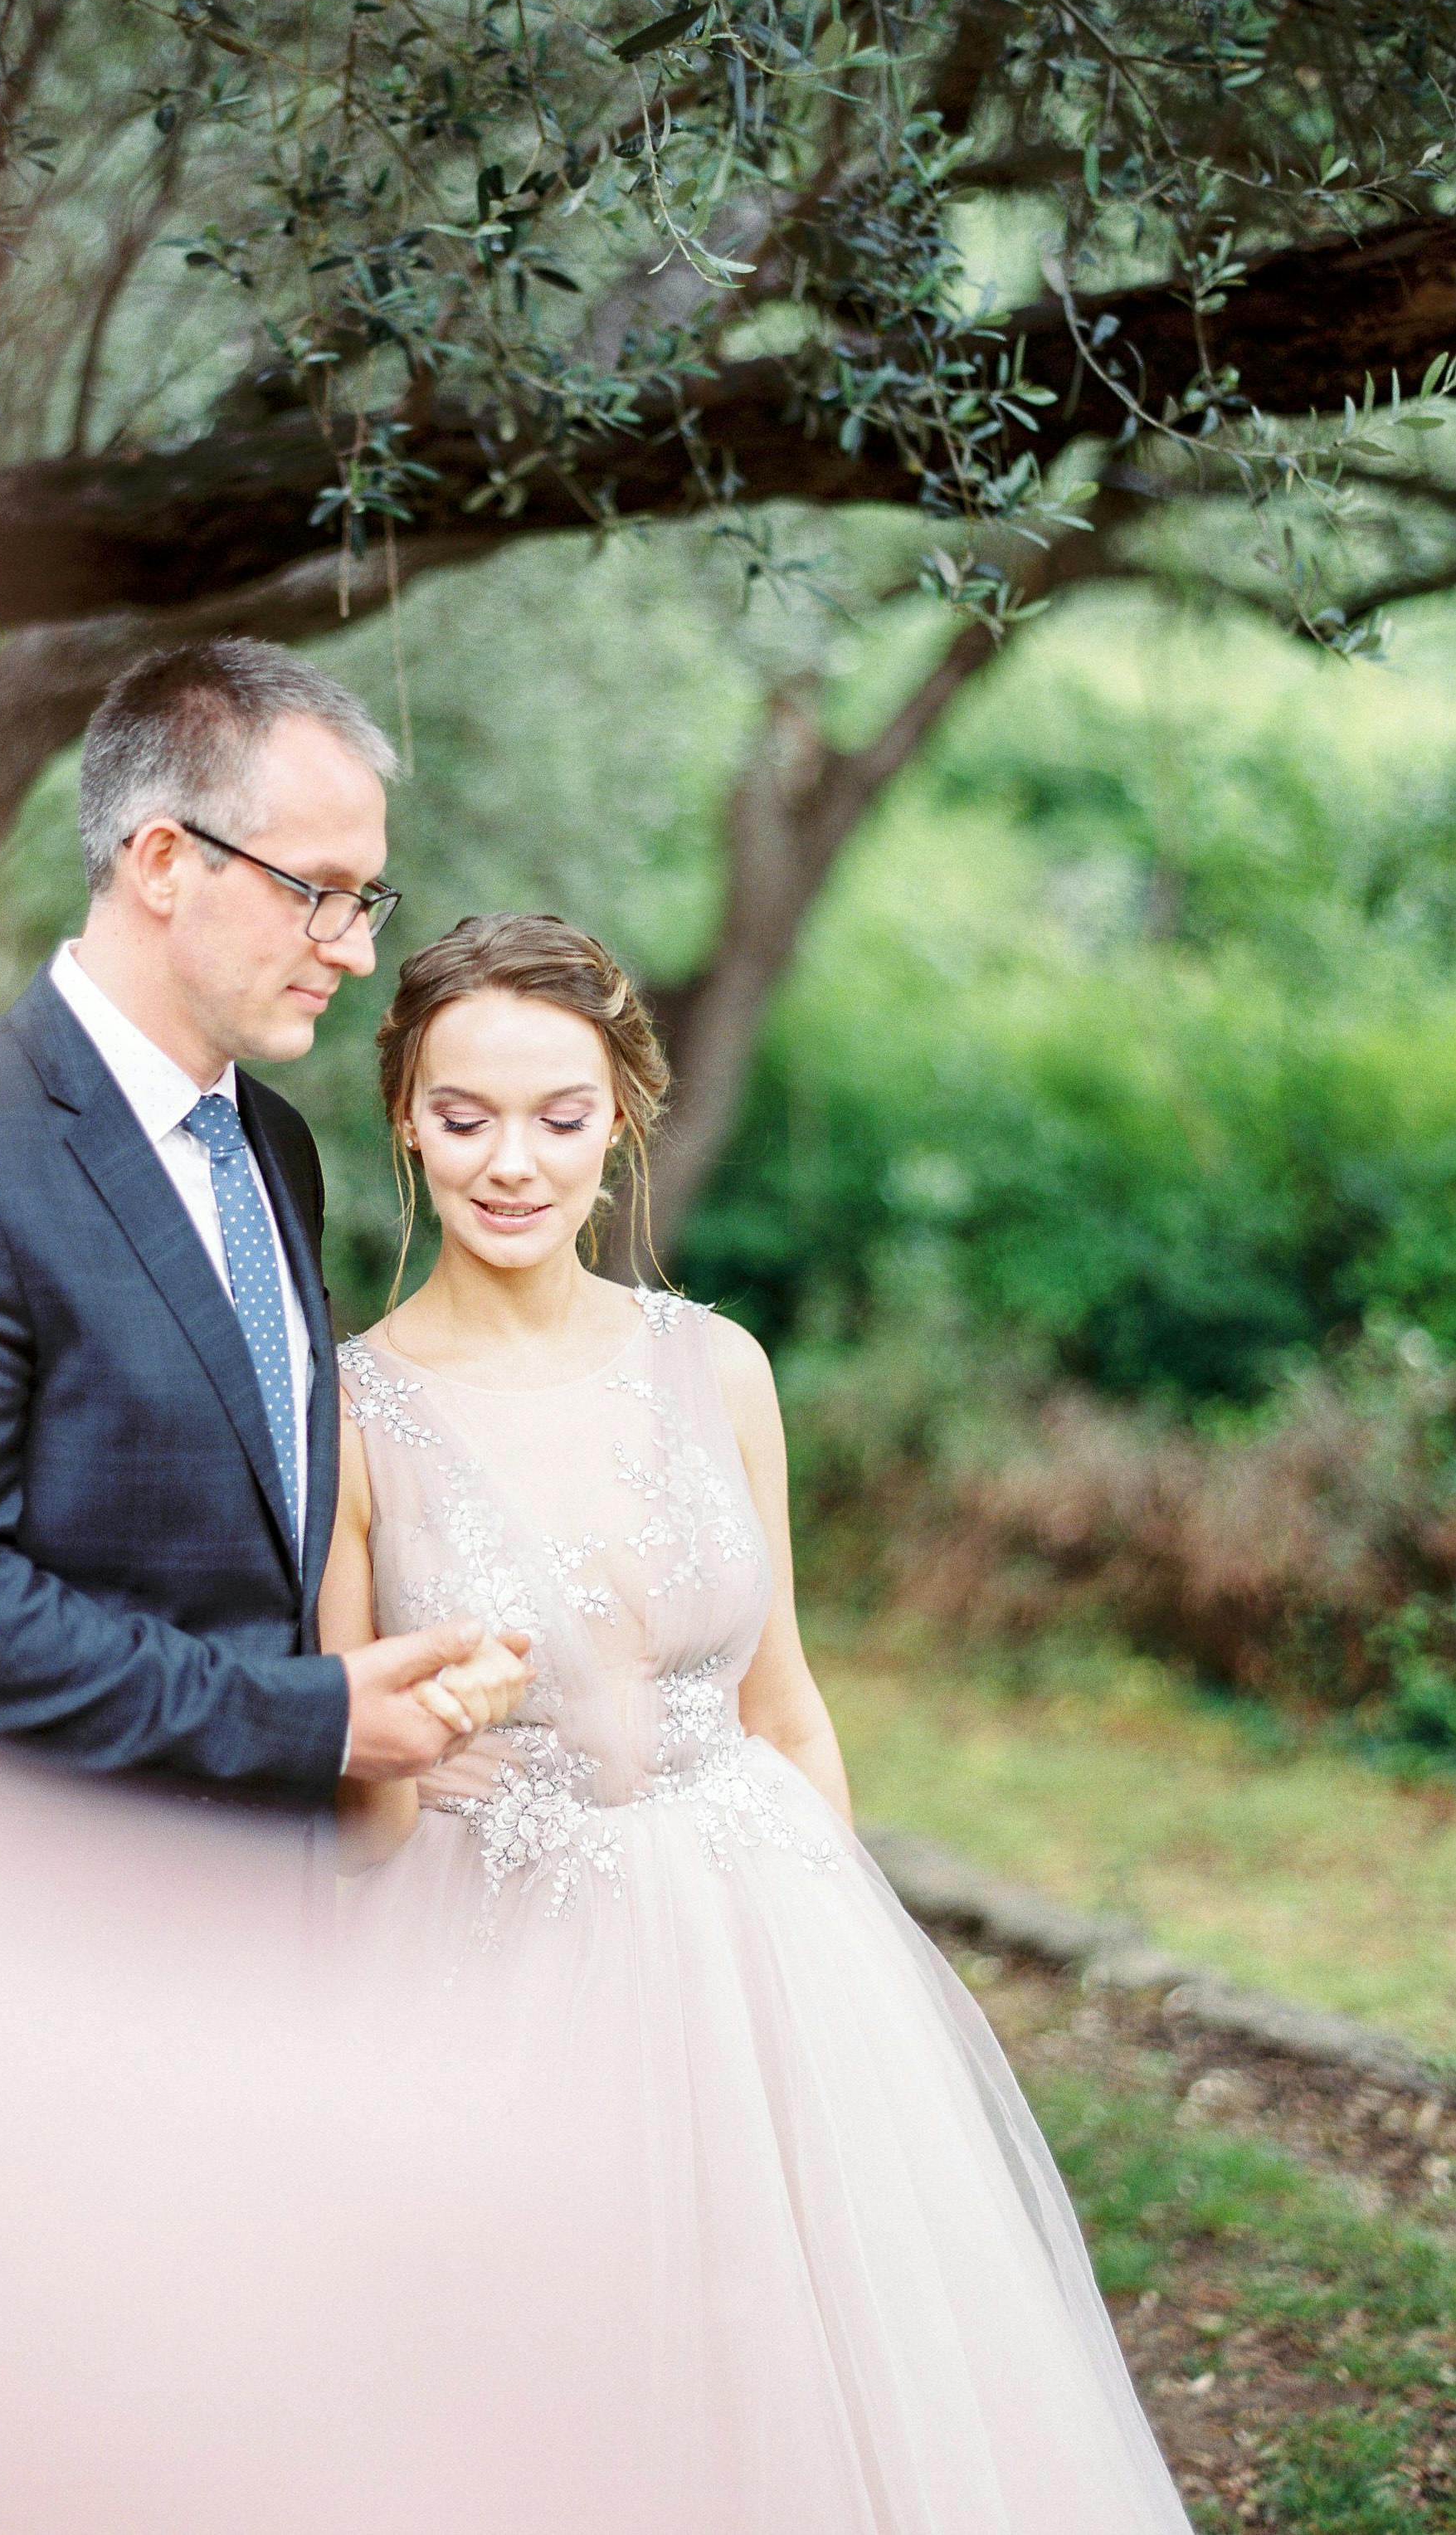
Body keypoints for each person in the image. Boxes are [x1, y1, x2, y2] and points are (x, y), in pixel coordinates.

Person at [323, 913, 1197, 2533]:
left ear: (622, 1121)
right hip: (490, 1970)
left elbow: (782, 1701)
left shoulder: (714, 1366)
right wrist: (411, 1730)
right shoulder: (350, 1412)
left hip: (771, 1960)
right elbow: (356, 1797)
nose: (511, 1162)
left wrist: (842, 1980)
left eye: (558, 1117)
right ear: (403, 1121)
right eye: (465, 1117)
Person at [0, 641, 529, 1809]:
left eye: (366, 897)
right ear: (164, 859)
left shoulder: (274, 1144)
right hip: (32, 1921)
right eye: (318, 891)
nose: (355, 946)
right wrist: (313, 1717)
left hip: (263, 1914)